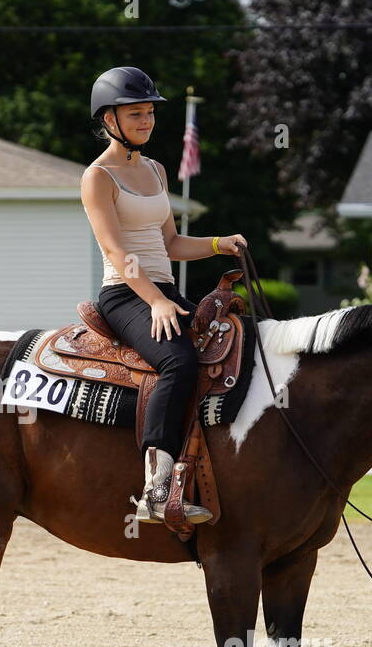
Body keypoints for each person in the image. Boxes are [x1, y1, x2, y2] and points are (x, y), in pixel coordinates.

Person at [80, 66, 247, 525]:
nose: (146, 121)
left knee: (238, 340)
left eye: (150, 113)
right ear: (109, 119)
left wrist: (219, 243)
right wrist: (153, 300)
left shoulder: (155, 169)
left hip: (166, 289)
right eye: (136, 114)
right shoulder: (98, 177)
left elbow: (171, 244)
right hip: (124, 295)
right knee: (178, 361)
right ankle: (155, 489)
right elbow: (116, 250)